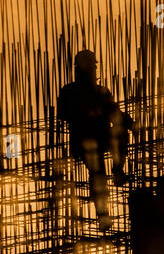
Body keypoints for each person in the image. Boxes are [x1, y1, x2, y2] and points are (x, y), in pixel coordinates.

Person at [56, 49, 132, 228]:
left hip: (102, 137)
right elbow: (63, 114)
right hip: (84, 142)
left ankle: (118, 170)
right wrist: (85, 113)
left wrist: (129, 122)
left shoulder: (101, 91)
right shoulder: (70, 91)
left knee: (121, 133)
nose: (92, 71)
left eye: (93, 68)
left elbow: (114, 114)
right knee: (97, 173)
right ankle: (103, 214)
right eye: (90, 67)